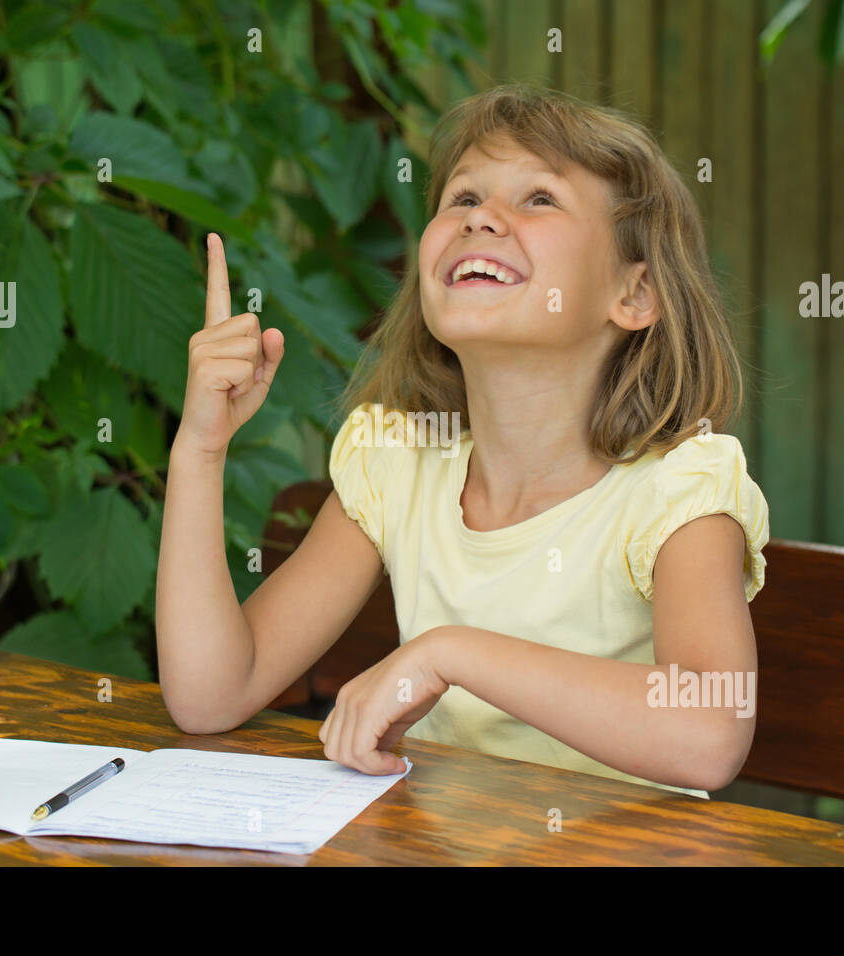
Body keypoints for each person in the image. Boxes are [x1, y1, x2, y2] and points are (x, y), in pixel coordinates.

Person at [157, 83, 769, 799]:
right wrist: (199, 450)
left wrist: (450, 653)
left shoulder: (677, 492)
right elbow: (211, 696)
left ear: (633, 294)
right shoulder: (399, 465)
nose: (483, 218)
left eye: (538, 198)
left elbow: (710, 733)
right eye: (463, 197)